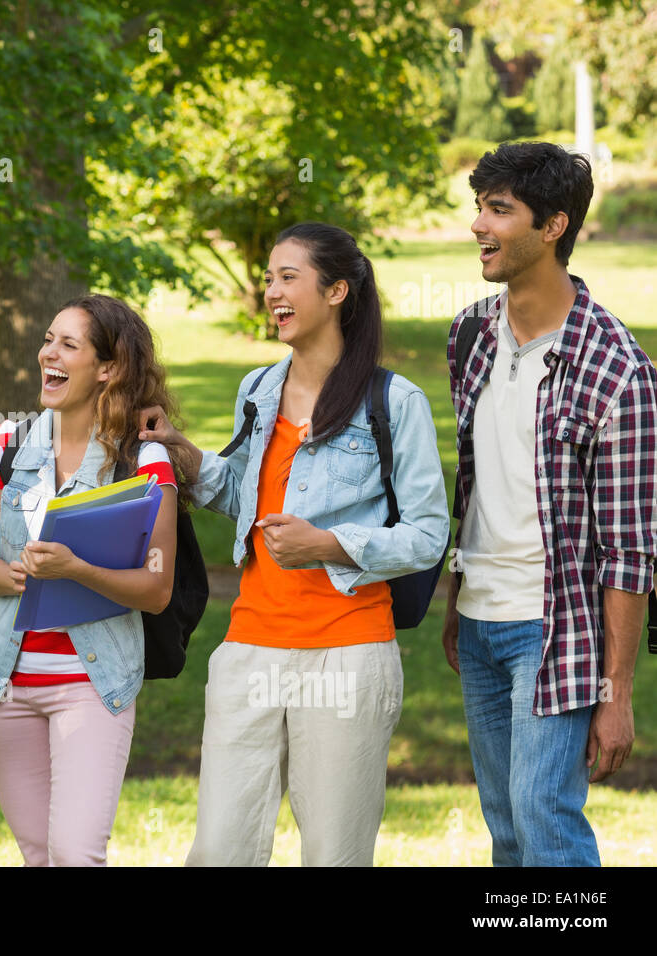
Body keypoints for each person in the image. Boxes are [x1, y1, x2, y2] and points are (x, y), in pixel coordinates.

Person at [140, 222, 449, 866]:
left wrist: (329, 544)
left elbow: (427, 535)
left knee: (334, 853)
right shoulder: (257, 389)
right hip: (249, 649)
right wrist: (183, 453)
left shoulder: (394, 402)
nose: (272, 292)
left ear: (336, 290)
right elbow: (241, 498)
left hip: (347, 654)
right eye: (269, 278)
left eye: (289, 278)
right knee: (221, 851)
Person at [442, 142, 657, 866]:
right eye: (480, 207)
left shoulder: (617, 370)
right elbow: (476, 484)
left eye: (499, 210)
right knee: (506, 825)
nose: (479, 225)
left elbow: (632, 548)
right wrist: (454, 601)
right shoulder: (470, 335)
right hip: (478, 620)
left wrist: (617, 691)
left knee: (544, 819)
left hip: (552, 628)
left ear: (554, 226)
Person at [0, 294, 185, 866]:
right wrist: (19, 575)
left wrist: (76, 570)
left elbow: (156, 589)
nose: (48, 355)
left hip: (90, 683)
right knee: (37, 852)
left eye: (68, 344)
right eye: (46, 339)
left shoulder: (143, 460)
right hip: (8, 682)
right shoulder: (10, 445)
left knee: (75, 852)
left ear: (107, 368)